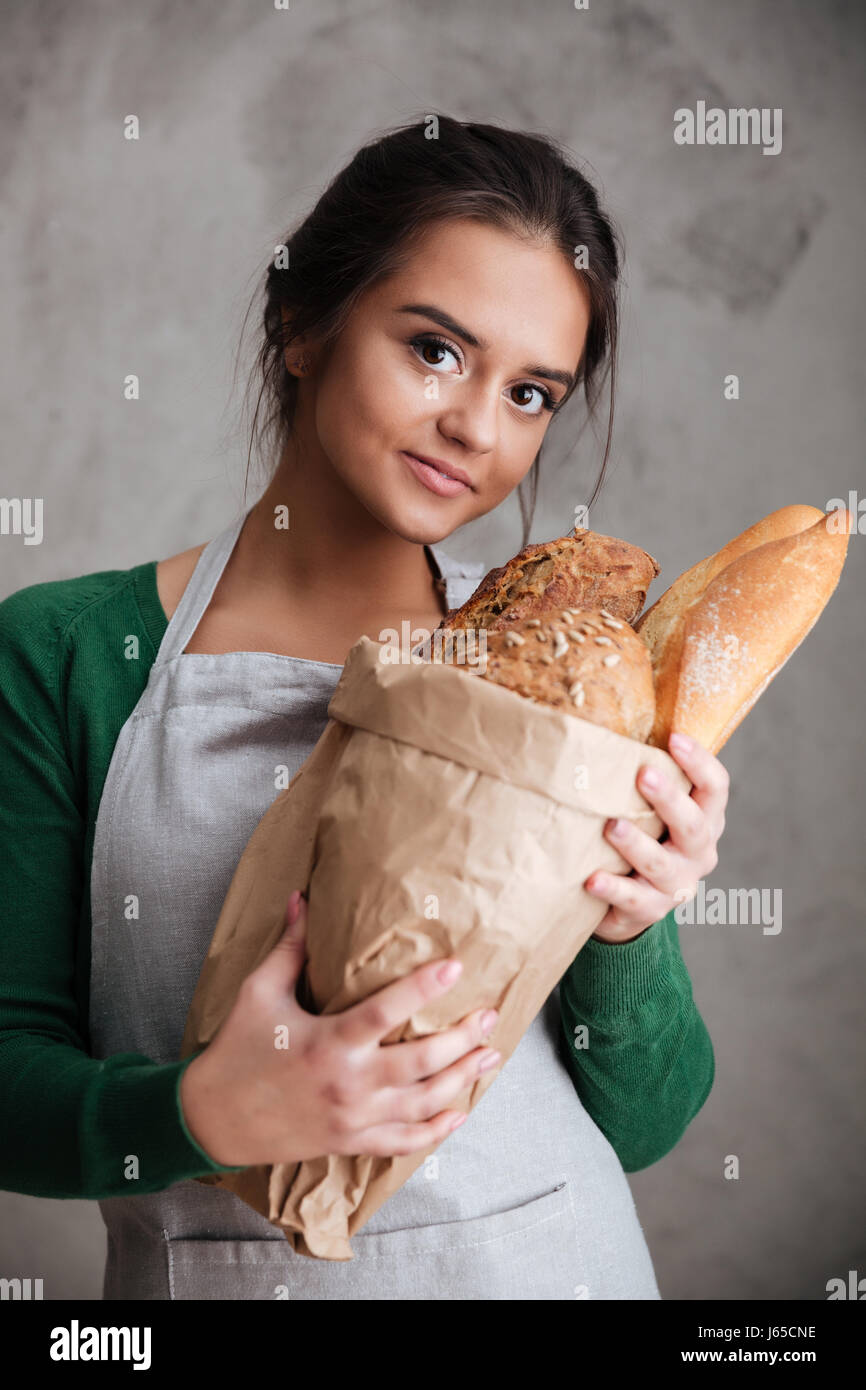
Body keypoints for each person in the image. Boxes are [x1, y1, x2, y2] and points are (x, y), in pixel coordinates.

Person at [0, 114, 727, 1300]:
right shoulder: (72, 656)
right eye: (436, 349)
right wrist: (204, 1108)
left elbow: (643, 1123)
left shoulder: (560, 680)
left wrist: (627, 928)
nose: (478, 428)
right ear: (302, 324)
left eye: (532, 391)